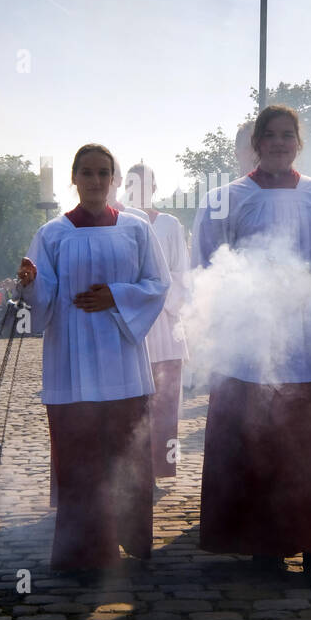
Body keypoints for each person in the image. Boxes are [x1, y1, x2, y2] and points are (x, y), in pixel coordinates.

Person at [192, 106, 311, 579]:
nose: (280, 143)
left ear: (299, 143)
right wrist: (245, 292)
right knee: (259, 440)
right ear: (257, 143)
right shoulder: (226, 198)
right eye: (271, 136)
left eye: (289, 136)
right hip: (252, 340)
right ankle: (263, 543)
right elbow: (205, 266)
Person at [17, 143, 170, 572]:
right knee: (80, 457)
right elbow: (41, 298)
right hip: (71, 358)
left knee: (126, 452)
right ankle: (85, 552)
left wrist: (116, 297)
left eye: (104, 173)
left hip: (122, 358)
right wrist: (29, 284)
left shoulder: (136, 229)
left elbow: (159, 283)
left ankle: (131, 537)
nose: (96, 181)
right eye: (87, 172)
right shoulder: (53, 233)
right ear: (74, 178)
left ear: (115, 180)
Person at [121, 163, 191, 482]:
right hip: (134, 322)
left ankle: (163, 465)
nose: (139, 190)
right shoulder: (118, 222)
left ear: (153, 187)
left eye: (145, 184)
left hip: (164, 321)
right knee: (133, 401)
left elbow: (181, 273)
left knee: (165, 401)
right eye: (132, 184)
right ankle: (133, 466)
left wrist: (162, 296)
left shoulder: (170, 224)